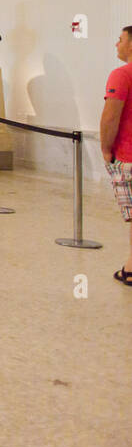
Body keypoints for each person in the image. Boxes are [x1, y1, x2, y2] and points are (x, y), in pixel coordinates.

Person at [100, 26, 132, 287]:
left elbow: (111, 116)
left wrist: (105, 148)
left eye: (120, 40)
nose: (116, 44)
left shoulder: (121, 75)